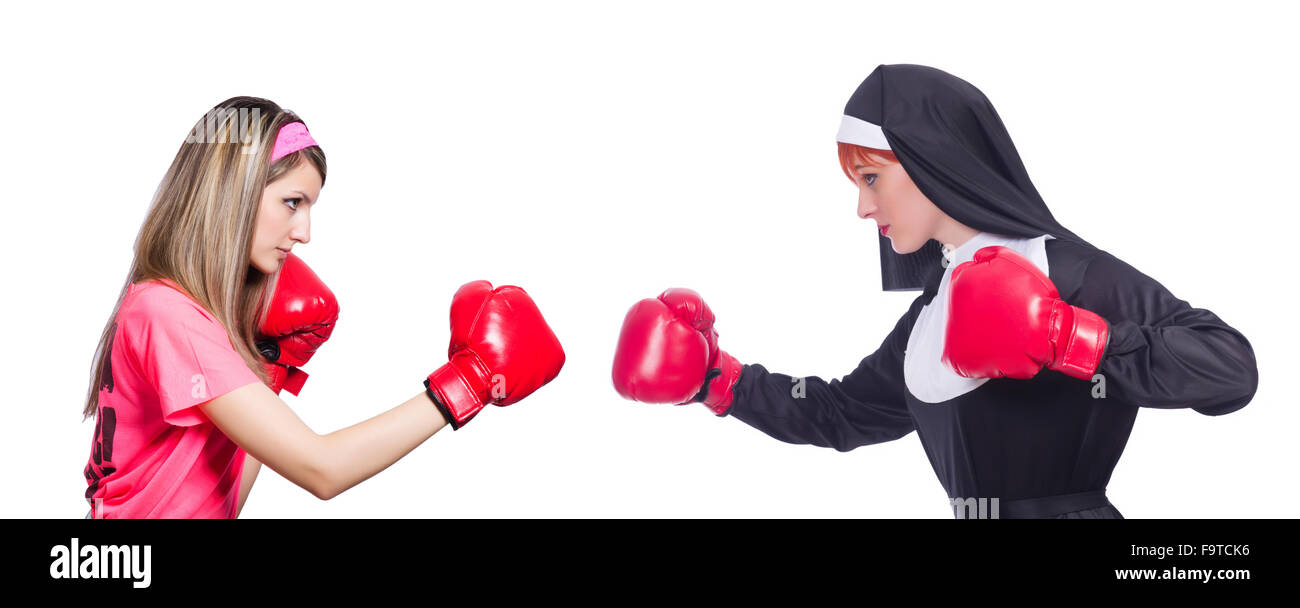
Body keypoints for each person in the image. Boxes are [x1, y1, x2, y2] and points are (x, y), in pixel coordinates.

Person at [610, 64, 1259, 519]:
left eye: (871, 178)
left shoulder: (1070, 272)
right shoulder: (934, 310)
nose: (863, 208)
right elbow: (842, 412)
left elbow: (1231, 368)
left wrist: (1070, 338)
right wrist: (719, 380)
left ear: (931, 162)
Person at [81, 97, 565, 518]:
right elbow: (323, 469)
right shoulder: (168, 315)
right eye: (292, 202)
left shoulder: (173, 309)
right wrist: (468, 382)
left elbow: (220, 502)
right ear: (233, 193)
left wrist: (271, 365)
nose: (304, 232)